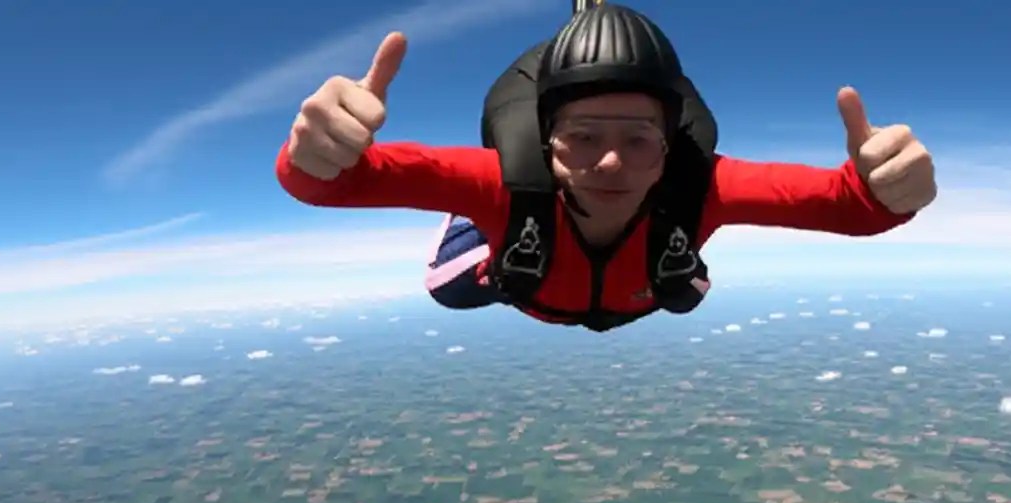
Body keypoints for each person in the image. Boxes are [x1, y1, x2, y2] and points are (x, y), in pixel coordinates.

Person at [277, 3, 937, 332]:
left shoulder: (702, 186)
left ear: (671, 145)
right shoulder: (499, 183)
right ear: (544, 143)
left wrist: (889, 188)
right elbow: (329, 183)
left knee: (679, 288)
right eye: (582, 137)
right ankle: (475, 240)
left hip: (631, 291)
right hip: (521, 276)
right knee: (445, 289)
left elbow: (848, 206)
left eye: (640, 139)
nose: (612, 160)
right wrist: (318, 150)